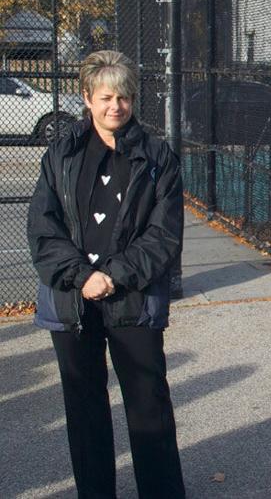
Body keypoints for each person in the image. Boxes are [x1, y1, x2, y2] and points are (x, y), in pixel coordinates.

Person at [27, 50, 186, 498]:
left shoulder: (157, 157)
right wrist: (81, 276)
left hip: (131, 297)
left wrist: (114, 276)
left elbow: (163, 235)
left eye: (124, 97)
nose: (116, 106)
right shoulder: (60, 154)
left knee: (148, 404)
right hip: (73, 299)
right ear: (87, 98)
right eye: (106, 97)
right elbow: (44, 228)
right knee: (84, 408)